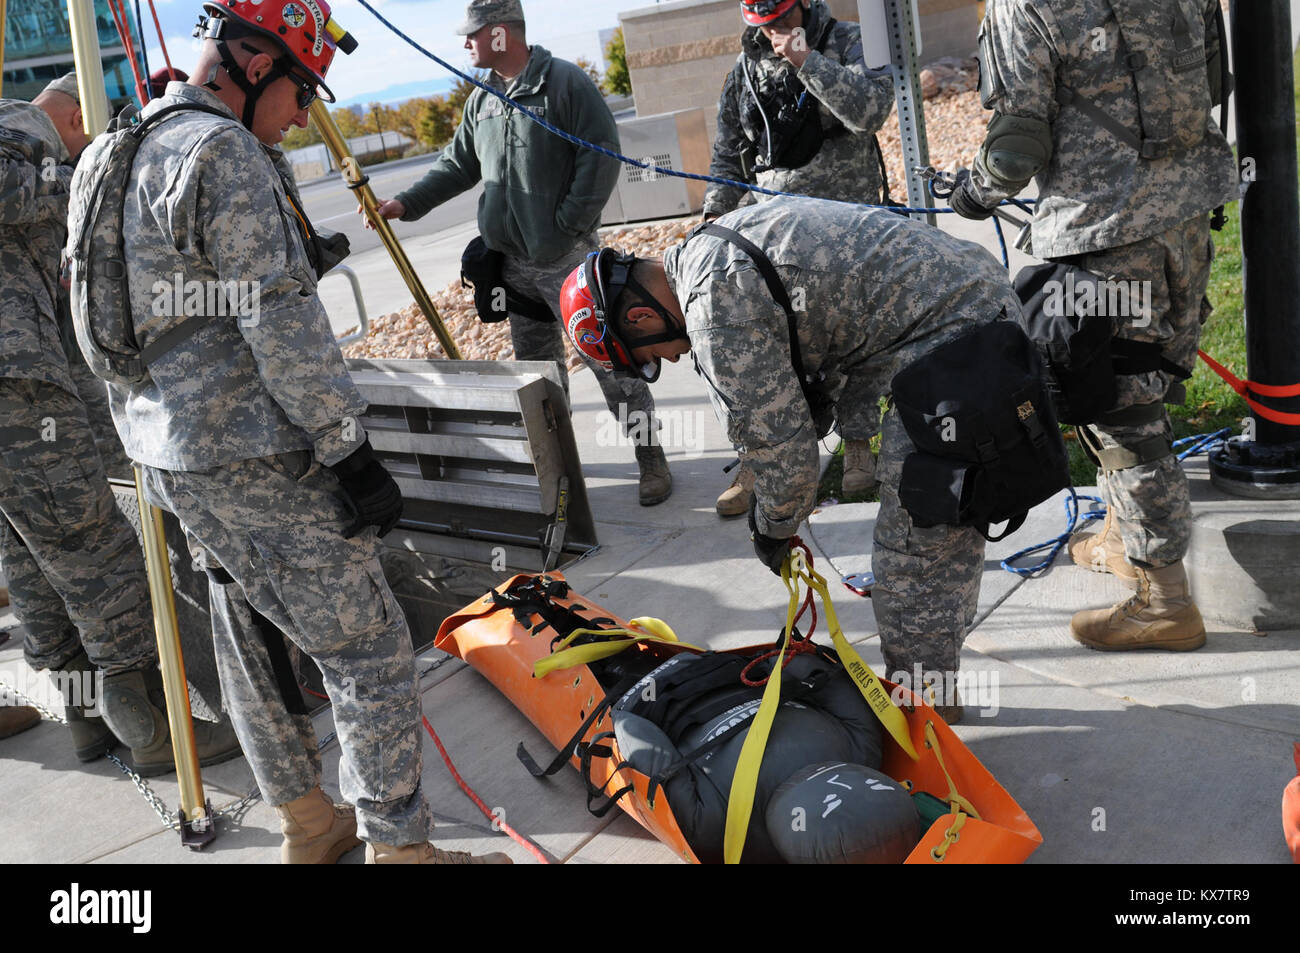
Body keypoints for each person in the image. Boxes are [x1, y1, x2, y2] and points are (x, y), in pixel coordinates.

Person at [70, 1, 507, 864]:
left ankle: (309, 822)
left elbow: (106, 319)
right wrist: (347, 447)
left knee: (247, 630)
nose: (305, 114)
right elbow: (282, 326)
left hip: (167, 453)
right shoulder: (223, 151)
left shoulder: (110, 152)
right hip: (258, 451)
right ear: (254, 61)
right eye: (303, 89)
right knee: (369, 647)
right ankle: (400, 847)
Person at [559, 197, 1028, 722]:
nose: (669, 359)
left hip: (955, 337)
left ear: (642, 316)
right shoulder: (710, 247)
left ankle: (927, 716)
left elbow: (786, 464)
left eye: (649, 356)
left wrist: (772, 531)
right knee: (945, 531)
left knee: (913, 551)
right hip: (972, 303)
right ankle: (935, 679)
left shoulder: (716, 315)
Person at [949, 0, 1237, 651]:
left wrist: (974, 193)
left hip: (1107, 226)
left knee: (1120, 412)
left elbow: (1020, 136)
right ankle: (1118, 537)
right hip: (1188, 207)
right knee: (1154, 371)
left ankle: (1163, 600)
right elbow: (1217, 80)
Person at [0, 72, 242, 771]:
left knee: (30, 549)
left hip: (27, 378)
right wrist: (86, 174)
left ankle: (87, 715)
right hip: (20, 384)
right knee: (92, 544)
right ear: (76, 115)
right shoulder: (23, 127)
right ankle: (156, 728)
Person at [367, 0, 673, 507]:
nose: (465, 44)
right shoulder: (483, 97)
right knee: (539, 377)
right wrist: (405, 203)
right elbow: (458, 162)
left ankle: (651, 460)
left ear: (502, 33)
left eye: (474, 34)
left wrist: (569, 226)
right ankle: (560, 470)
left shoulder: (564, 85)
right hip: (513, 265)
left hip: (567, 261)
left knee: (611, 365)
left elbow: (600, 154)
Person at [704, 0, 897, 518]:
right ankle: (763, 460)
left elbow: (872, 110)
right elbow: (729, 154)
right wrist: (711, 223)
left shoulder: (846, 42)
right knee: (781, 350)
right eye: (763, 24)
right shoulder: (744, 68)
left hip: (849, 229)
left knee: (860, 338)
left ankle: (859, 442)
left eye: (782, 18)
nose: (774, 30)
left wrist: (807, 61)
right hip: (779, 243)